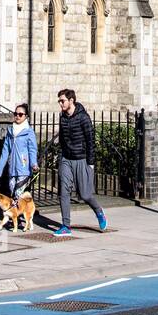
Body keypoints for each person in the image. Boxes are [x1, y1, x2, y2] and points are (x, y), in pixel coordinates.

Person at [54, 88, 107, 236]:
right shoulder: (62, 117)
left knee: (85, 195)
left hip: (81, 159)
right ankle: (65, 226)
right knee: (63, 192)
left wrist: (90, 162)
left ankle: (99, 211)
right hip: (66, 159)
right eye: (59, 101)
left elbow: (90, 140)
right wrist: (60, 157)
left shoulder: (83, 117)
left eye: (62, 100)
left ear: (71, 101)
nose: (60, 103)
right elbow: (62, 140)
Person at [0, 102, 39, 205]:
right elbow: (5, 151)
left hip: (23, 168)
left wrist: (34, 163)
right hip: (12, 168)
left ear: (26, 116)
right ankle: (18, 217)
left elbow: (32, 149)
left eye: (20, 114)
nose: (17, 116)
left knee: (18, 194)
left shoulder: (29, 132)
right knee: (12, 192)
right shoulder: (10, 131)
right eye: (16, 114)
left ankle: (17, 219)